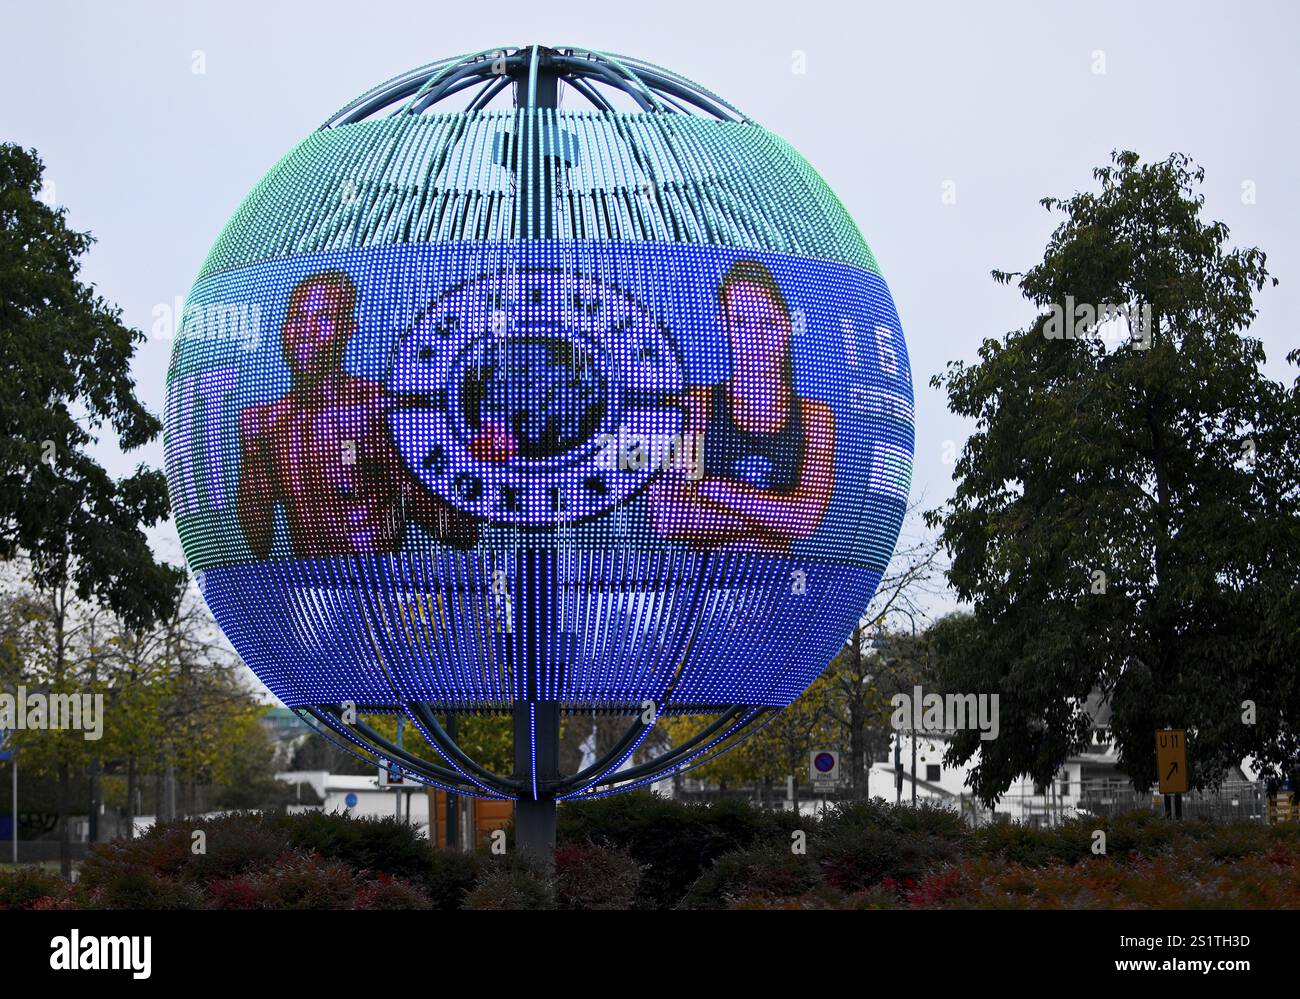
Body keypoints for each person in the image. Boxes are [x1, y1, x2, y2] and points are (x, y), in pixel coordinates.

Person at [236, 270, 476, 558]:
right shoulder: (268, 425)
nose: (306, 330)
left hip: (376, 592)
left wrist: (403, 469)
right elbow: (257, 543)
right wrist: (253, 461)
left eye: (322, 318)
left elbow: (461, 532)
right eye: (297, 318)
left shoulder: (381, 411)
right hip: (311, 593)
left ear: (346, 329)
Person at [649, 258, 834, 554]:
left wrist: (713, 489)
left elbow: (805, 520)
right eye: (742, 323)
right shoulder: (698, 407)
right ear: (725, 325)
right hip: (702, 582)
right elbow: (668, 516)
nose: (756, 338)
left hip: (776, 585)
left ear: (787, 326)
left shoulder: (816, 419)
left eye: (768, 323)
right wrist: (768, 524)